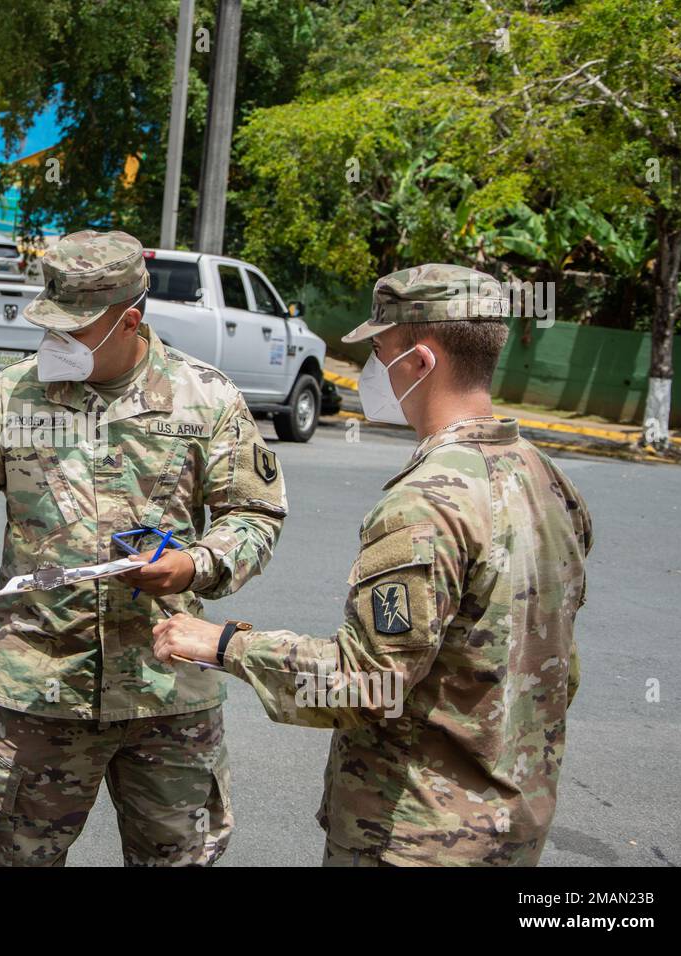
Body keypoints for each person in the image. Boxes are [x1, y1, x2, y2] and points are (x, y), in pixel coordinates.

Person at [0, 229, 286, 866]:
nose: (55, 342)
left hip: (167, 693)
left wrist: (197, 564)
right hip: (38, 690)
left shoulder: (207, 400)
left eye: (75, 330)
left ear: (129, 320)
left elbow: (253, 513)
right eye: (49, 325)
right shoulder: (8, 397)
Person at [152, 263, 594, 866]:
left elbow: (366, 684)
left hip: (417, 837)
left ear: (421, 360)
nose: (369, 371)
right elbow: (555, 671)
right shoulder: (548, 479)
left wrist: (224, 644)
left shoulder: (426, 502)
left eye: (379, 350)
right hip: (512, 827)